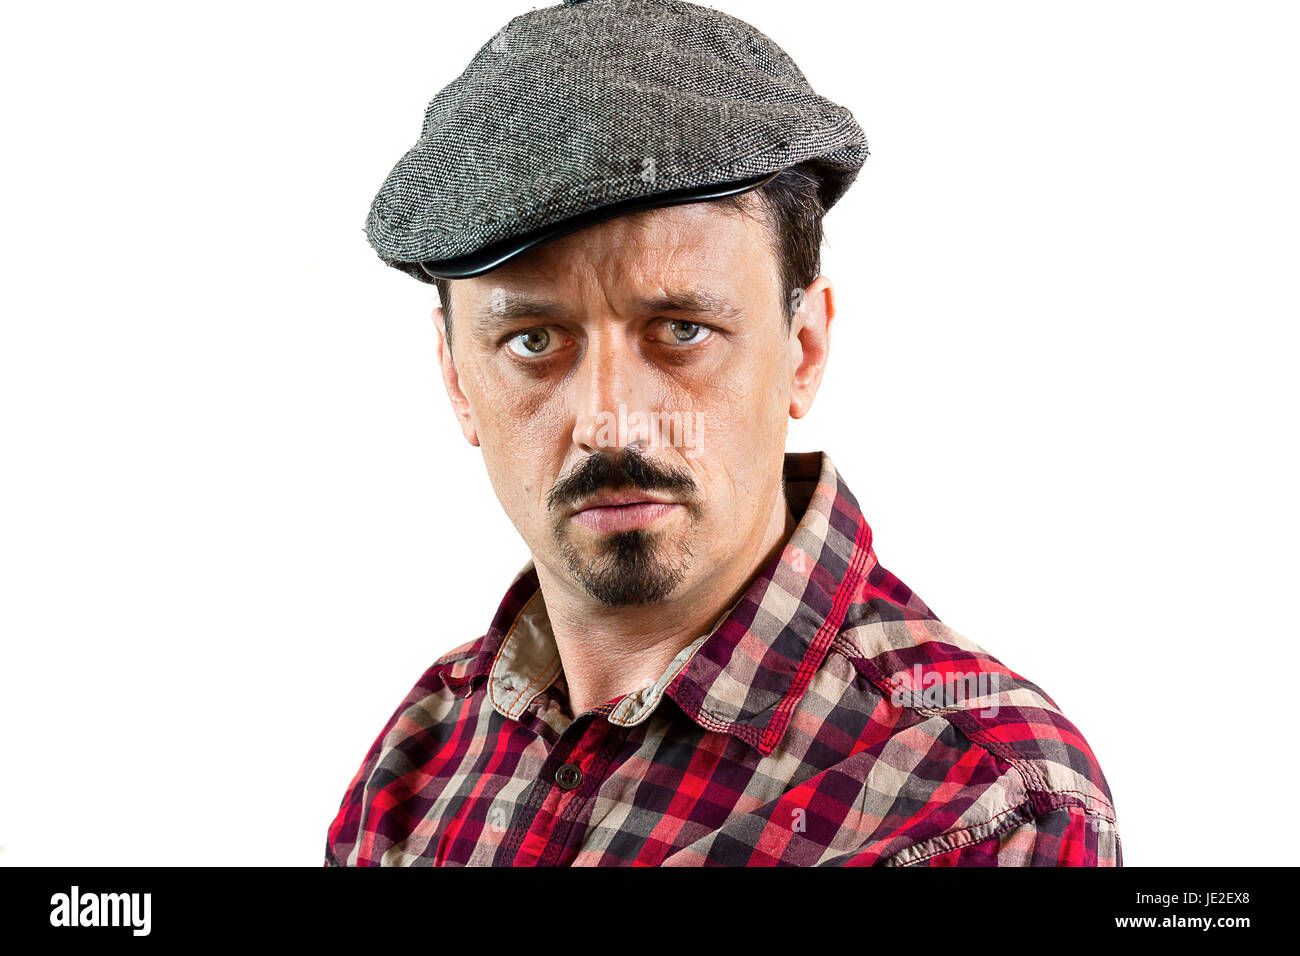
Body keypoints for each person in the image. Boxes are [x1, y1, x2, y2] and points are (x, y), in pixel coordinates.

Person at [326, 0, 1120, 866]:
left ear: (804, 350)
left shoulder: (978, 803)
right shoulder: (421, 757)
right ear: (456, 380)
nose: (608, 421)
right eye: (534, 341)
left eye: (681, 330)